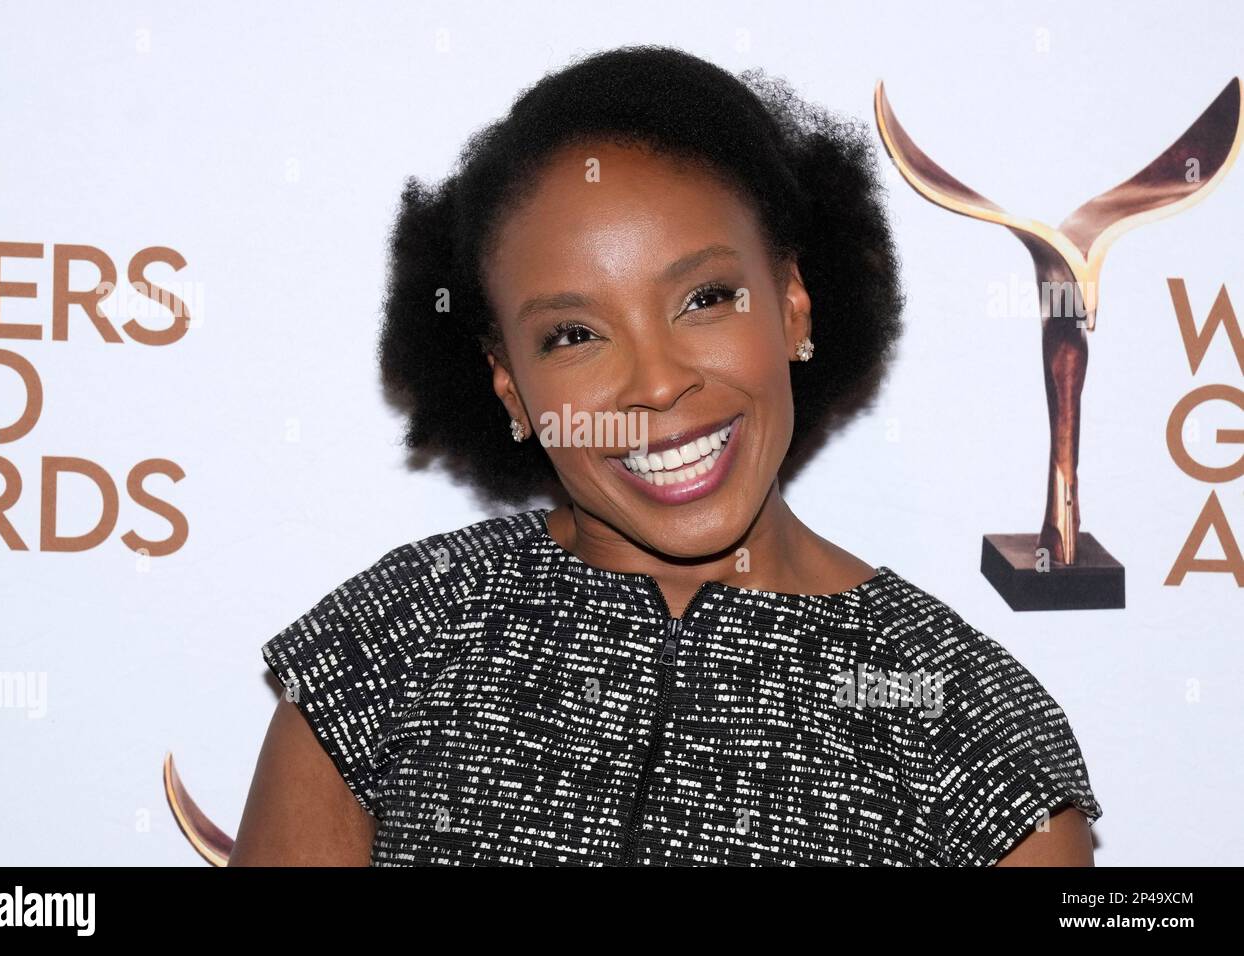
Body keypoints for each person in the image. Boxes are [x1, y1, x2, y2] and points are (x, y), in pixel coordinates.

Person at [228, 45, 1102, 866]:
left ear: (793, 304)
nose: (654, 384)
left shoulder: (971, 725)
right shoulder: (396, 639)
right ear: (507, 385)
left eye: (704, 299)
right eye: (573, 334)